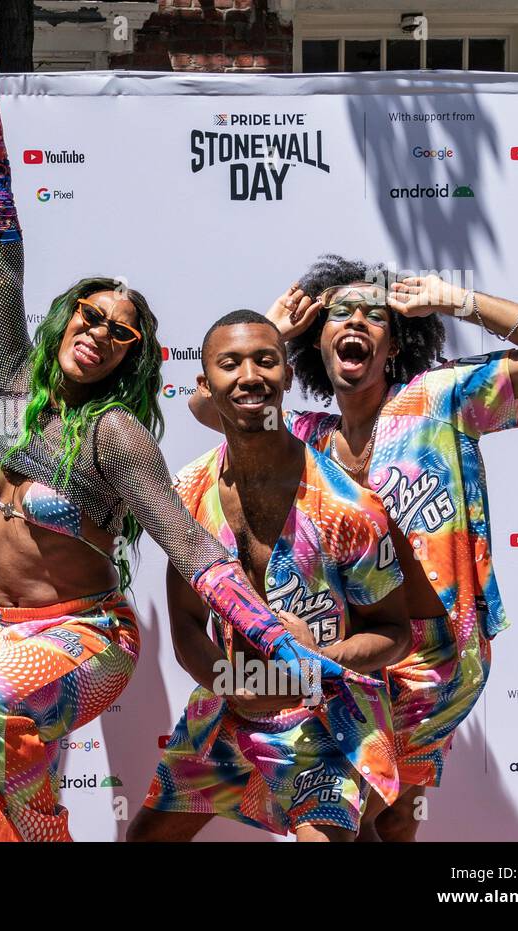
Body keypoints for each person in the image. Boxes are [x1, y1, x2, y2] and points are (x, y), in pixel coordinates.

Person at [0, 53, 382, 843]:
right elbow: (2, 277)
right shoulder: (10, 383)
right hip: (4, 632)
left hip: (86, 638)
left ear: (131, 358)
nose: (101, 332)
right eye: (92, 316)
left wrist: (275, 638)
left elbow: (190, 544)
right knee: (5, 793)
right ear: (67, 317)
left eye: (122, 332)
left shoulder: (115, 432)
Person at [188, 258, 518, 840]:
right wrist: (271, 331)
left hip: (438, 655)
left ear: (394, 343)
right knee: (398, 813)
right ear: (316, 345)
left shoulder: (439, 398)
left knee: (351, 813)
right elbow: (208, 407)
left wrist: (454, 300)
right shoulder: (302, 435)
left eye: (374, 315)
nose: (356, 322)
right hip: (356, 646)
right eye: (339, 314)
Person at [129, 310, 411, 842]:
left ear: (286, 373)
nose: (250, 375)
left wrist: (322, 660)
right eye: (229, 363)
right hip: (226, 708)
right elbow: (187, 623)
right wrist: (233, 685)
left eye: (265, 360)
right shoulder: (187, 493)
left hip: (325, 717)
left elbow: (394, 631)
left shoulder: (347, 506)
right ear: (204, 384)